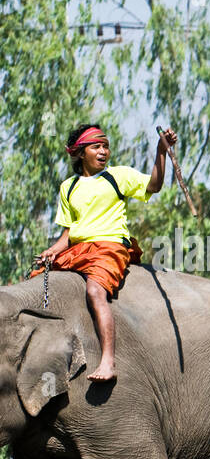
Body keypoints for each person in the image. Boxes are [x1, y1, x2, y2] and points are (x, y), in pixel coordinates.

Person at [33, 124, 178, 381]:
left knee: (94, 291)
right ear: (80, 153)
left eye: (106, 146)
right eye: (96, 146)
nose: (103, 151)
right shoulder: (68, 187)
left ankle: (108, 361)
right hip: (78, 249)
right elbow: (68, 233)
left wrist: (161, 152)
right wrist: (52, 251)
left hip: (110, 246)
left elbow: (154, 185)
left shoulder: (118, 176)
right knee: (36, 280)